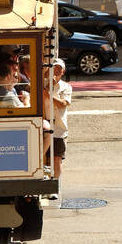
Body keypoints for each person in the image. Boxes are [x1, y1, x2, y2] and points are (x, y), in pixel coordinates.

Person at [45, 59, 70, 192]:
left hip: (59, 128)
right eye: (54, 68)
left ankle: (55, 185)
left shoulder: (66, 87)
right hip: (45, 125)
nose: (56, 71)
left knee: (57, 158)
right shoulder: (43, 84)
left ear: (63, 71)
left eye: (59, 69)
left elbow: (63, 104)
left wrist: (49, 94)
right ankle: (47, 184)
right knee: (47, 159)